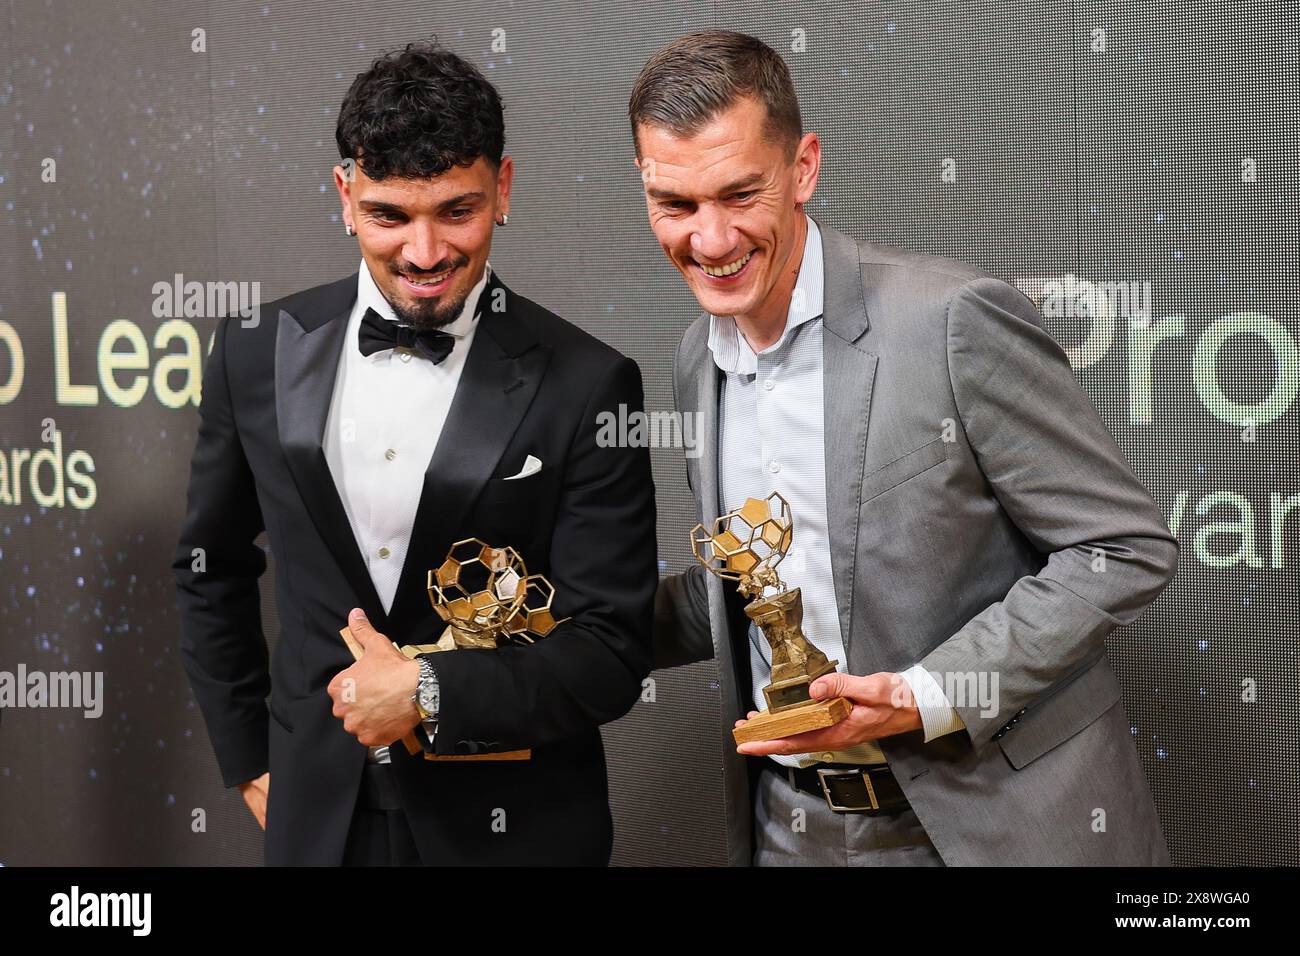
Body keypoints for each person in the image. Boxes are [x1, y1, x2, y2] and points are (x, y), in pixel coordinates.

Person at [637, 31, 1177, 866]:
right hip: (792, 828)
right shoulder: (691, 364)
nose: (709, 241)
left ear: (803, 167)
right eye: (676, 204)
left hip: (994, 827)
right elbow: (757, 586)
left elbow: (1121, 548)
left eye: (740, 194)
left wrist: (926, 695)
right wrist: (542, 628)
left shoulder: (952, 320)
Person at [173, 39, 656, 865]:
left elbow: (610, 649)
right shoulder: (255, 350)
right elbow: (208, 566)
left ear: (502, 188)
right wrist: (251, 757)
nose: (425, 255)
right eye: (391, 214)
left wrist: (431, 691)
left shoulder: (589, 382)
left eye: (455, 212)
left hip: (518, 830)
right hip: (317, 823)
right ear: (346, 194)